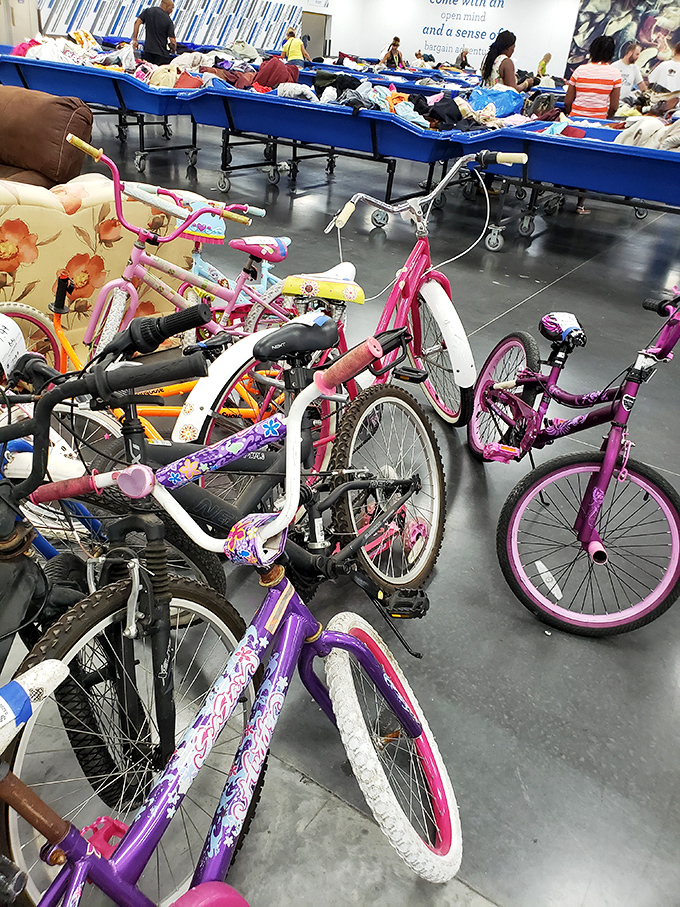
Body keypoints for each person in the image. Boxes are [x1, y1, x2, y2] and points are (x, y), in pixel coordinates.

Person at [565, 35, 622, 215]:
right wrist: (604, 118)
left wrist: (572, 115)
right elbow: (613, 106)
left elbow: (568, 101)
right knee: (587, 163)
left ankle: (559, 193)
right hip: (598, 124)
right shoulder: (614, 73)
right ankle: (580, 204)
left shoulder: (580, 70)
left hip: (574, 122)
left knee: (569, 158)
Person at [132, 0, 176, 66]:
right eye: (171, 8)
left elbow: (137, 22)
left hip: (148, 51)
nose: (172, 10)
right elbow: (173, 41)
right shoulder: (168, 21)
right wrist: (173, 49)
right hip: (162, 55)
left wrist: (135, 39)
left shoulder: (148, 11)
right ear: (166, 6)